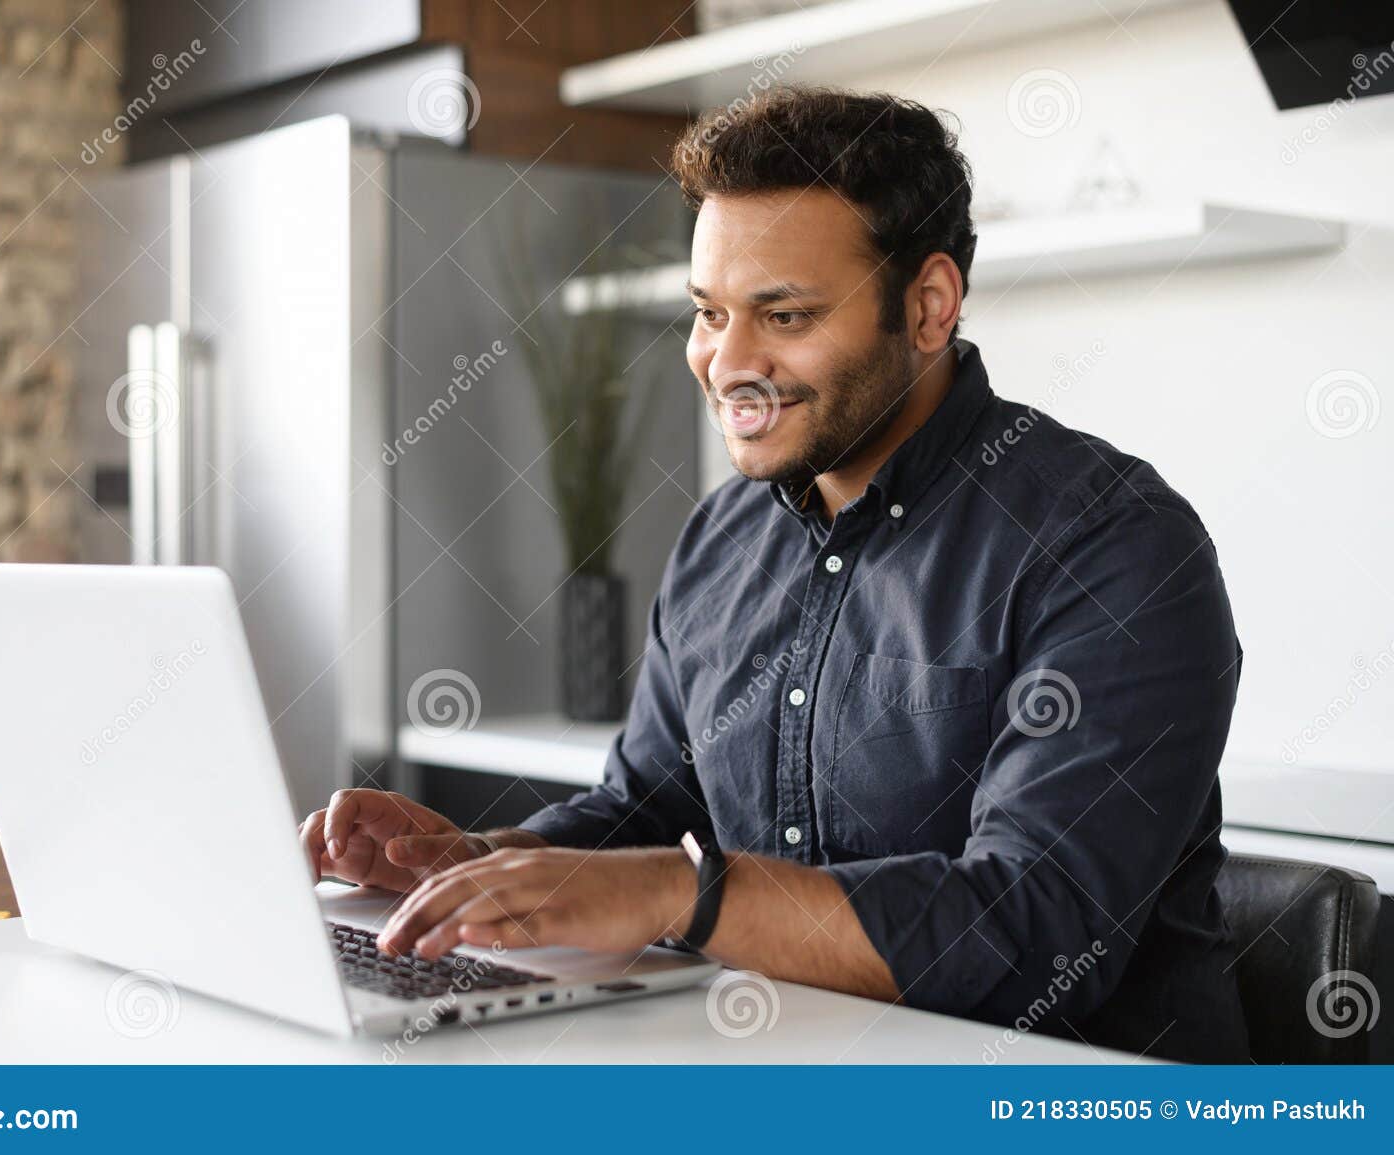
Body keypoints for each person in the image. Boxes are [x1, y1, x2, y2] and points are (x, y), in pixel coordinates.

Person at [299, 85, 1248, 1063]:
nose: (725, 363)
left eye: (782, 315)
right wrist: (478, 859)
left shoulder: (1112, 544)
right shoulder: (722, 539)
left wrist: (682, 893)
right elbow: (649, 811)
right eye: (708, 313)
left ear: (926, 308)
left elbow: (1031, 935)